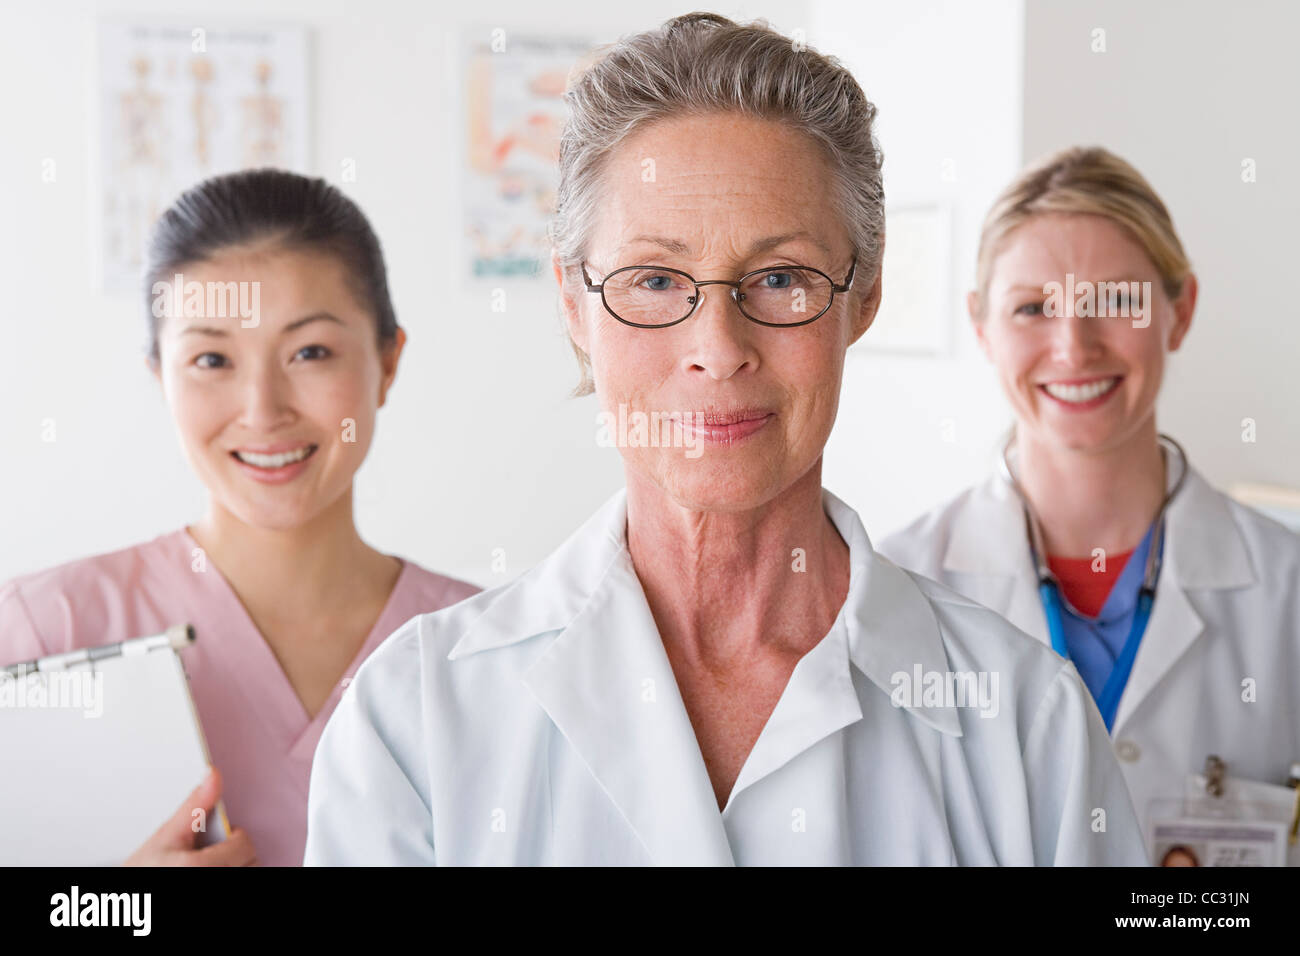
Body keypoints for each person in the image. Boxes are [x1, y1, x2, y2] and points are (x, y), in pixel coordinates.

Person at [304, 13, 1145, 866]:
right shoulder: (416, 720)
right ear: (573, 304)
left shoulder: (1027, 724)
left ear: (866, 296)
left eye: (780, 278)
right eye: (655, 280)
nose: (718, 349)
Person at [0, 169, 479, 866]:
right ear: (159, 378)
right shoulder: (45, 630)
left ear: (388, 359)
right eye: (212, 358)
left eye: (310, 351)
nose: (262, 409)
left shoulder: (492, 647)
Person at [880, 146, 1300, 858]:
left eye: (1116, 301)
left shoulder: (1285, 590)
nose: (1073, 349)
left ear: (1181, 311)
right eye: (1034, 308)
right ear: (982, 325)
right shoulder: (896, 588)